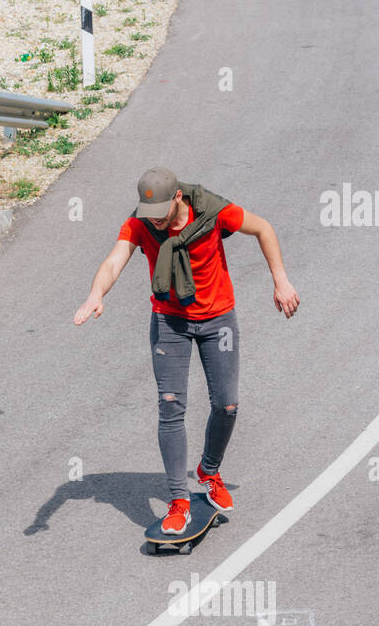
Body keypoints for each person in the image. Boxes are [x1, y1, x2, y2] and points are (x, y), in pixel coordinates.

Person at [72, 166, 301, 534]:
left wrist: (281, 281)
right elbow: (114, 261)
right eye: (149, 216)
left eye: (160, 215)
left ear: (177, 198)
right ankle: (178, 500)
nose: (155, 223)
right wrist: (96, 294)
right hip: (170, 321)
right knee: (170, 407)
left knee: (227, 404)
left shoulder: (212, 211)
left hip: (218, 319)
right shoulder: (141, 223)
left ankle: (209, 471)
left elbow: (263, 228)